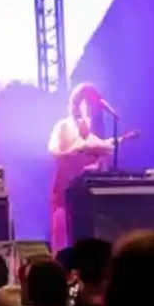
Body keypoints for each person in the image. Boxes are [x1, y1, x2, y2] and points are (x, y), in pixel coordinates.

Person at [47, 83, 123, 251]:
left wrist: (97, 160)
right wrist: (77, 149)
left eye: (92, 104)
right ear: (76, 105)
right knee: (63, 233)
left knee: (85, 233)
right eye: (86, 103)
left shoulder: (92, 133)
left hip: (85, 193)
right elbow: (53, 151)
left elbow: (105, 150)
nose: (89, 109)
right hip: (64, 190)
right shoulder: (63, 126)